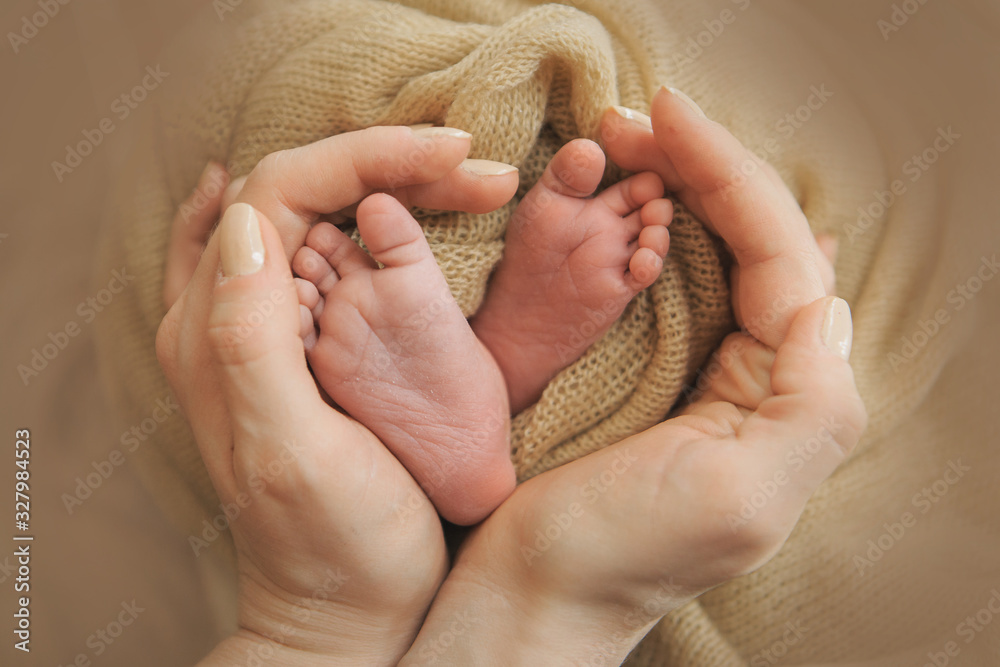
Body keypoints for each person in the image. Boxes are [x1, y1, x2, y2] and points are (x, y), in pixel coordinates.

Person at [156, 86, 865, 665]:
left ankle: (493, 374)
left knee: (222, 357)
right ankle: (504, 379)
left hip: (298, 516)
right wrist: (544, 604)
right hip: (413, 530)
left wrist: (313, 624)